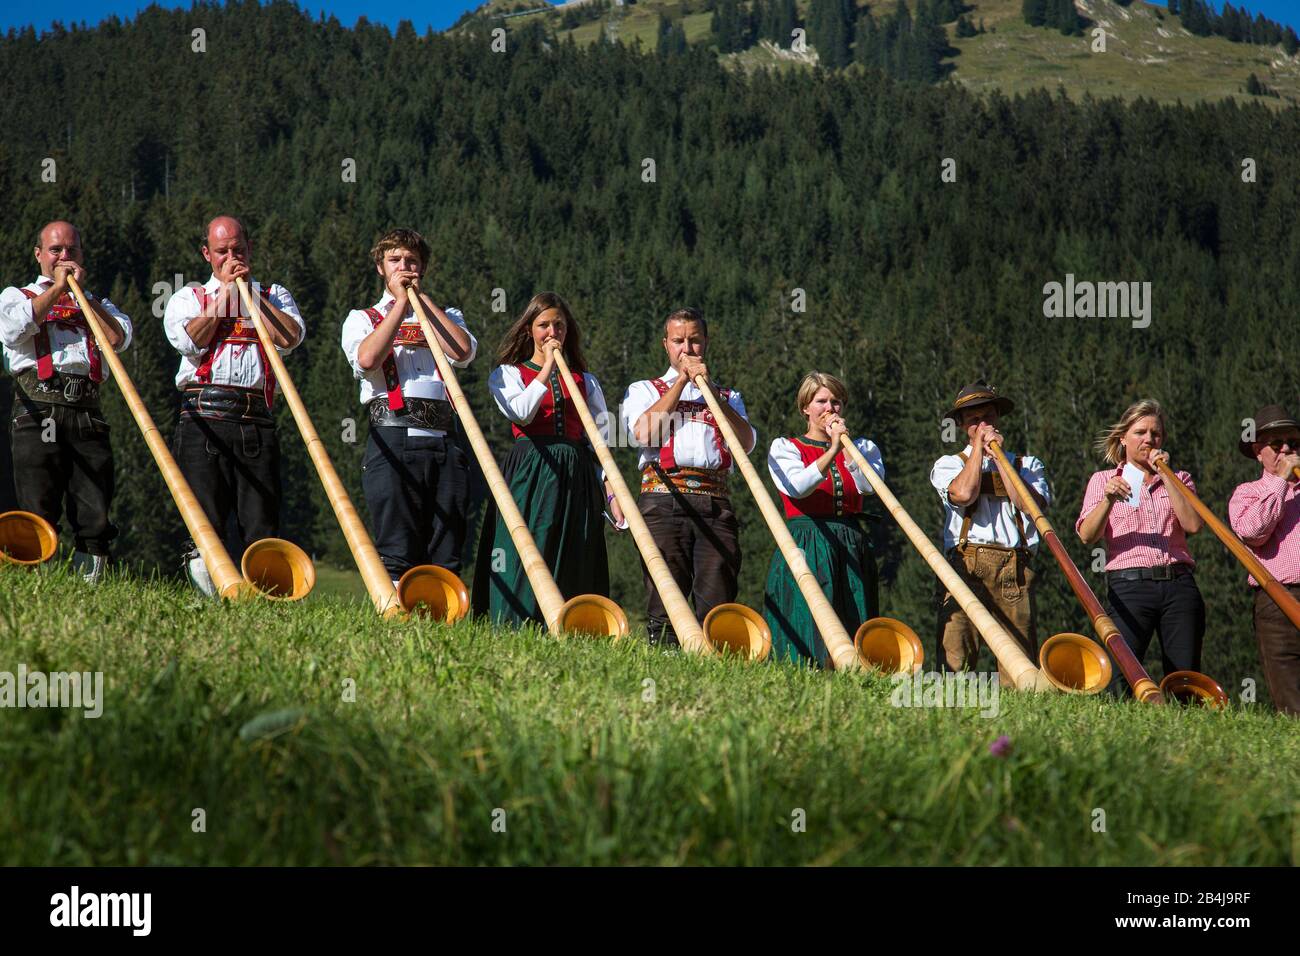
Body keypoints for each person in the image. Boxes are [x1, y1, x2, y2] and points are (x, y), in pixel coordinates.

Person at [163, 215, 305, 595]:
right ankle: (210, 601)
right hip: (203, 417)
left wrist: (253, 297)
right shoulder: (187, 298)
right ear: (207, 253)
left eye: (238, 250)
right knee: (205, 521)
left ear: (250, 249)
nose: (231, 257)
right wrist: (228, 293)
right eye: (222, 251)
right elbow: (190, 342)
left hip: (256, 417)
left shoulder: (275, 295)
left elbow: (290, 337)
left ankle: (261, 602)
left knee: (260, 521)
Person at [471, 292, 624, 628]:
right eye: (543, 325)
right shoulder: (507, 374)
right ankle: (515, 624)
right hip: (531, 468)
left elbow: (600, 440)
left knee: (575, 547)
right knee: (526, 545)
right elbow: (522, 413)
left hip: (577, 470)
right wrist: (549, 368)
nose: (552, 332)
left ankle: (574, 625)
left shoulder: (587, 380)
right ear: (529, 330)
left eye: (559, 325)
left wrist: (611, 491)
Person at [341, 228, 476, 587]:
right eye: (395, 260)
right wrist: (401, 304)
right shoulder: (362, 318)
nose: (405, 267)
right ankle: (398, 622)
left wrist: (423, 304)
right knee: (398, 543)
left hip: (444, 438)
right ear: (381, 268)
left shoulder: (448, 314)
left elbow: (462, 352)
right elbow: (368, 359)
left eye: (412, 261)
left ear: (424, 268)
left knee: (446, 545)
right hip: (393, 433)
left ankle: (443, 623)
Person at [0, 221, 132, 582]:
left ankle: (88, 589)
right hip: (38, 409)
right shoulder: (17, 295)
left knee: (95, 509)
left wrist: (81, 297)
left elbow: (118, 339)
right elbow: (11, 332)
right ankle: (36, 586)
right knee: (38, 505)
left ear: (81, 256)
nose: (64, 257)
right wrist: (58, 288)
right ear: (39, 255)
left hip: (88, 411)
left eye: (71, 250)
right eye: (56, 250)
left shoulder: (98, 304)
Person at [621, 308, 756, 646]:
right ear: (666, 345)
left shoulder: (728, 396)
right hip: (662, 497)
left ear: (705, 344)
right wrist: (681, 382)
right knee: (666, 591)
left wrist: (709, 391)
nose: (687, 349)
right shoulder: (644, 389)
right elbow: (643, 434)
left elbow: (746, 443)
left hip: (715, 501)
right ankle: (665, 657)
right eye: (679, 341)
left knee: (718, 592)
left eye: (694, 341)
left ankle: (714, 660)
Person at [1076, 399, 1206, 697]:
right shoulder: (1102, 480)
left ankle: (1184, 733)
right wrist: (1107, 500)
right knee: (1120, 674)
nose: (1149, 439)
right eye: (1141, 432)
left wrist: (1167, 474)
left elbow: (1193, 524)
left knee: (1184, 675)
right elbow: (1087, 535)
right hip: (1129, 586)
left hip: (1179, 583)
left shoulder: (1180, 478)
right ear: (1123, 438)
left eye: (1156, 434)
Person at [929, 382, 1050, 687]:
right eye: (973, 420)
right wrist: (979, 454)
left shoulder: (1027, 464)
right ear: (961, 426)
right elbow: (964, 493)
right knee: (955, 659)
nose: (983, 425)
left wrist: (998, 458)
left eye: (988, 418)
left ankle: (1015, 728)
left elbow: (1029, 505)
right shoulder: (948, 464)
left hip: (1015, 567)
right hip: (966, 564)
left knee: (1019, 664)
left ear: (999, 419)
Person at [763, 372, 885, 665]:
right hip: (807, 539)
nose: (830, 408)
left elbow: (869, 487)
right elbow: (797, 487)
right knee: (808, 615)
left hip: (850, 540)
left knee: (852, 613)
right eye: (821, 401)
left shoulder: (863, 448)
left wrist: (848, 451)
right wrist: (832, 450)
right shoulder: (786, 447)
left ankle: (854, 672)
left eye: (836, 401)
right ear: (805, 407)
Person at [1228, 404, 1300, 716]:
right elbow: (1253, 531)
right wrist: (1282, 479)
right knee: (1290, 694)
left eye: (1293, 443)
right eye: (1276, 444)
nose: (1286, 449)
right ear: (1259, 452)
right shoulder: (1247, 492)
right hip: (1276, 597)